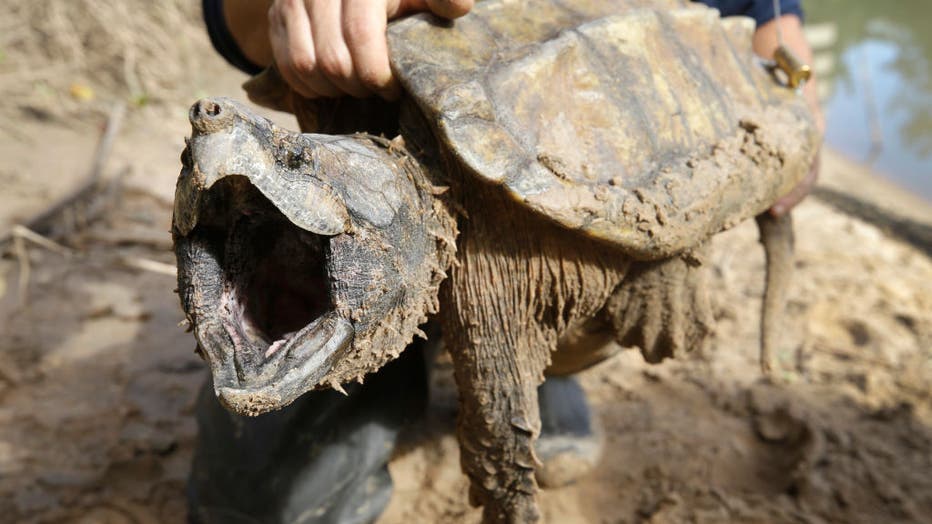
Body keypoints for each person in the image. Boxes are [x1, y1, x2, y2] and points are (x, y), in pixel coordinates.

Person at [190, 2, 824, 523]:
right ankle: (354, 324)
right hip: (384, 92)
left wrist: (797, 112)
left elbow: (776, 45)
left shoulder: (487, 288)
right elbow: (235, 22)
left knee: (521, 330)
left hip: (569, 231)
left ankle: (553, 360)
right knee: (255, 506)